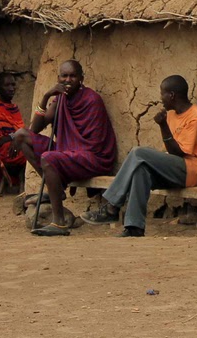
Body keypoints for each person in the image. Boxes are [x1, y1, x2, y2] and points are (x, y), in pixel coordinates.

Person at [83, 75, 197, 236]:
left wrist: (163, 126)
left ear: (171, 95)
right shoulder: (171, 114)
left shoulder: (196, 116)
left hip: (191, 170)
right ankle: (134, 227)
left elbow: (178, 152)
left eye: (162, 93)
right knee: (141, 171)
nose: (160, 98)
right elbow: (169, 152)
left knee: (138, 152)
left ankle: (112, 206)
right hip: (174, 167)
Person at [11, 59, 119, 233]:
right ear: (58, 78)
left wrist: (65, 154)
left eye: (73, 76)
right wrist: (46, 96)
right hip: (69, 152)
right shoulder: (60, 99)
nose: (68, 80)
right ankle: (58, 189)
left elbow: (95, 145)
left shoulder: (92, 100)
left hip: (92, 157)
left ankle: (59, 222)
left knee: (49, 157)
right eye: (64, 76)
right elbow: (35, 129)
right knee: (21, 136)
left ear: (81, 78)